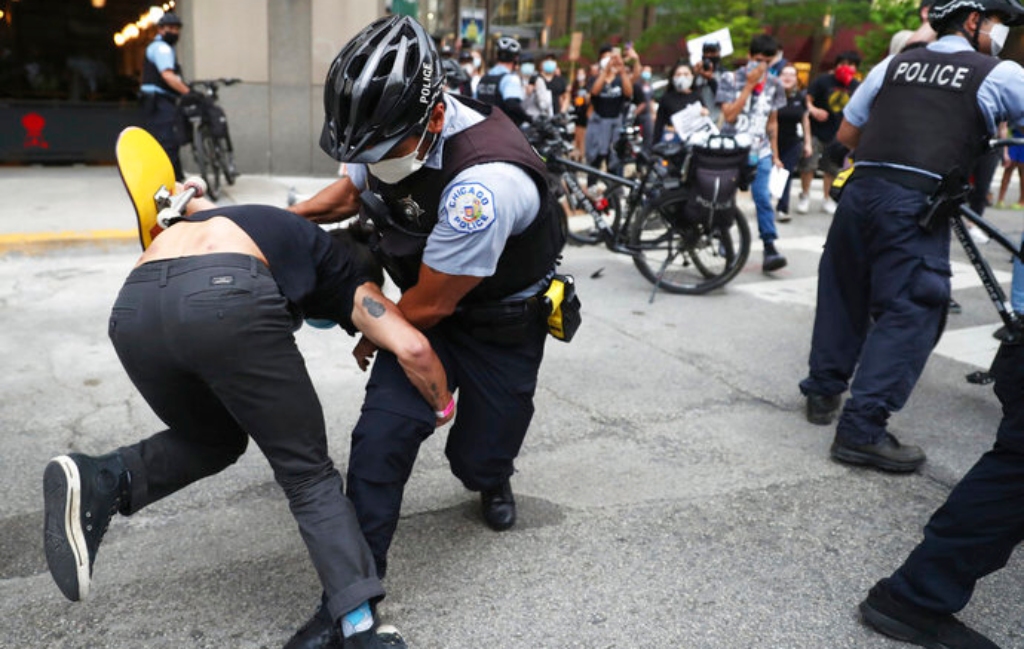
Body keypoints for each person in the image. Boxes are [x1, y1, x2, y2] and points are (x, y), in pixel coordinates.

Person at [41, 197, 457, 649]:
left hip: (133, 307)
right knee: (308, 476)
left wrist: (190, 193)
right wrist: (441, 407)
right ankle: (358, 629)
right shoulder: (346, 272)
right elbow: (414, 348)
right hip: (225, 300)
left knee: (212, 439)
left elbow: (197, 212)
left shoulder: (266, 225)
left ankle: (105, 478)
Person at [288, 15, 566, 642]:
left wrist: (374, 331)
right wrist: (279, 222)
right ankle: (350, 603)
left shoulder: (481, 189)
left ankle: (491, 477)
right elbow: (347, 194)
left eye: (377, 153)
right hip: (425, 309)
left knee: (477, 457)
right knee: (379, 441)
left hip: (494, 323)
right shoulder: (386, 128)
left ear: (434, 118)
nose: (367, 163)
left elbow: (433, 304)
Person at [798, 0, 1024, 475]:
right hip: (912, 205)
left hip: (860, 193)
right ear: (973, 20)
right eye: (999, 22)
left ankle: (822, 392)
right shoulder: (996, 73)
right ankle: (861, 430)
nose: (1001, 34)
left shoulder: (893, 64)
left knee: (845, 293)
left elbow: (848, 133)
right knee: (913, 308)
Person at [717, 33, 789, 273]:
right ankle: (723, 239)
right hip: (732, 148)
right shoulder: (730, 79)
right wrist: (749, 85)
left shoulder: (775, 83)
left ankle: (770, 246)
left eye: (768, 62)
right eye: (758, 60)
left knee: (762, 198)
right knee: (725, 197)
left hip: (760, 150)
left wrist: (775, 154)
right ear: (749, 56)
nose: (762, 66)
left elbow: (773, 121)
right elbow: (729, 115)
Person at [796, 50, 861, 215]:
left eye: (851, 65)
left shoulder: (856, 86)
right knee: (808, 164)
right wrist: (814, 110)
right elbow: (807, 99)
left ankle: (827, 199)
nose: (846, 68)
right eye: (843, 64)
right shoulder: (823, 80)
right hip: (816, 130)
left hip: (838, 133)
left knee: (831, 168)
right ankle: (805, 195)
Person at [139, 12, 189, 181]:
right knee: (167, 142)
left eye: (177, 29)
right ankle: (169, 181)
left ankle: (174, 178)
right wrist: (188, 92)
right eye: (170, 28)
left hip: (155, 100)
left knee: (163, 140)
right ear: (160, 29)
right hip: (159, 101)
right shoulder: (162, 48)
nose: (174, 32)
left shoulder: (160, 47)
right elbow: (168, 76)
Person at [585, 44, 640, 182]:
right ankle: (592, 184)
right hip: (599, 123)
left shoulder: (620, 79)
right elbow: (594, 92)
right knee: (596, 157)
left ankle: (614, 187)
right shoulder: (595, 78)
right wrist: (605, 72)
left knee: (615, 158)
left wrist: (622, 70)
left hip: (615, 122)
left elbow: (629, 92)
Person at [773, 64, 812, 222]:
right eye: (785, 74)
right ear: (778, 77)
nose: (788, 78)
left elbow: (805, 120)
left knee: (786, 174)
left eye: (792, 75)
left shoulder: (800, 98)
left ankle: (782, 208)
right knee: (769, 174)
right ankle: (765, 203)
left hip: (792, 142)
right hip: (772, 141)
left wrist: (807, 143)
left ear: (796, 79)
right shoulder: (772, 96)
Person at [475, 36, 530, 125]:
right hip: (502, 128)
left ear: (497, 56)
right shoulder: (509, 79)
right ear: (516, 58)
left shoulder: (484, 78)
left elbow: (475, 102)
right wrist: (530, 119)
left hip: (482, 127)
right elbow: (512, 105)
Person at [652, 61, 705, 144]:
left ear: (692, 76)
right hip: (672, 140)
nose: (682, 77)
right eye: (678, 74)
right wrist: (655, 144)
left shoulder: (697, 96)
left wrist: (704, 112)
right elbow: (659, 124)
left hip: (694, 140)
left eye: (686, 74)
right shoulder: (666, 98)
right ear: (673, 77)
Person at [693, 40, 724, 123]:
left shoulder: (724, 74)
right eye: (706, 52)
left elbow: (724, 98)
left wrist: (710, 79)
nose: (709, 55)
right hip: (700, 120)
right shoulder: (697, 74)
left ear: (718, 53)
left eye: (712, 52)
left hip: (719, 120)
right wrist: (693, 75)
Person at [570, 66, 592, 160]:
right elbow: (571, 99)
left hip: (584, 113)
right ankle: (575, 152)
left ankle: (582, 154)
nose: (580, 75)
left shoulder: (588, 87)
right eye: (578, 73)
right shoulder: (574, 87)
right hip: (576, 112)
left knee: (582, 135)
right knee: (576, 134)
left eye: (581, 73)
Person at [632, 65, 656, 149]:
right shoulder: (637, 85)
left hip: (647, 114)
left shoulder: (650, 86)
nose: (647, 73)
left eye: (649, 71)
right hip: (637, 114)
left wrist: (653, 113)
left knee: (648, 135)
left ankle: (647, 152)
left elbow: (651, 100)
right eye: (646, 71)